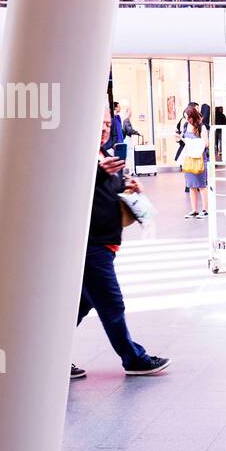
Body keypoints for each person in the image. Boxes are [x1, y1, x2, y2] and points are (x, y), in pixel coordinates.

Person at [71, 109, 170, 380]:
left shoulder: (104, 155)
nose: (103, 129)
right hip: (91, 246)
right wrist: (103, 175)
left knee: (80, 306)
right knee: (112, 305)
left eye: (106, 124)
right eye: (98, 124)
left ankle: (47, 357)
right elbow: (76, 191)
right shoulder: (77, 159)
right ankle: (134, 358)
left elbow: (105, 191)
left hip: (105, 245)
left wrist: (129, 186)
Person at [180, 105, 209, 219]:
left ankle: (205, 210)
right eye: (186, 118)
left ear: (193, 116)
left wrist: (193, 142)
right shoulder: (186, 126)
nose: (187, 120)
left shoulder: (202, 127)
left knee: (202, 185)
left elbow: (206, 143)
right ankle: (194, 210)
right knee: (191, 185)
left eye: (188, 118)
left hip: (199, 158)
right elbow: (183, 139)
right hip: (189, 158)